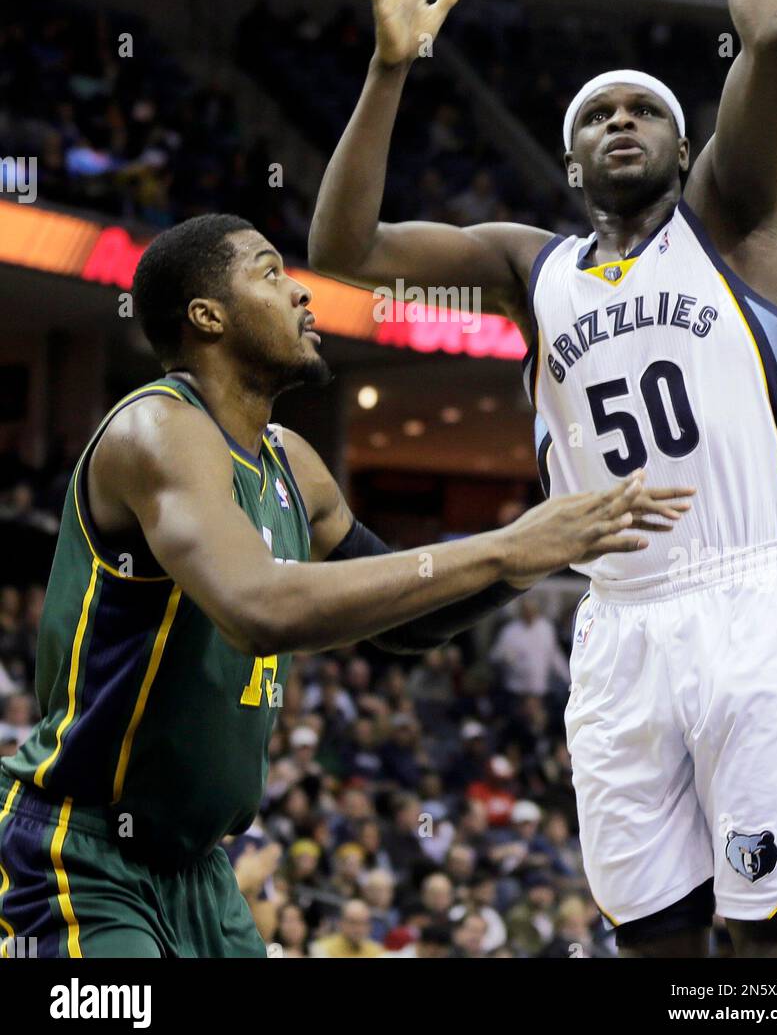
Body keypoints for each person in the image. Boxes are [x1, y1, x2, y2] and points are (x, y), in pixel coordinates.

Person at [307, 0, 777, 958]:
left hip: (753, 596)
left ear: (678, 142)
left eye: (643, 110)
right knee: (651, 940)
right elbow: (341, 253)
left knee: (770, 934)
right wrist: (390, 69)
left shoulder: (730, 219)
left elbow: (776, 41)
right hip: (617, 621)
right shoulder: (527, 265)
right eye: (597, 113)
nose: (620, 121)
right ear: (567, 160)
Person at [0, 213, 677, 960]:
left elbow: (405, 625)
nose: (299, 291)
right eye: (268, 272)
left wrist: (540, 554)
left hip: (200, 872)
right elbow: (255, 609)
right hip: (82, 852)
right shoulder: (158, 431)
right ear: (207, 315)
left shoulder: (293, 462)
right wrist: (502, 546)